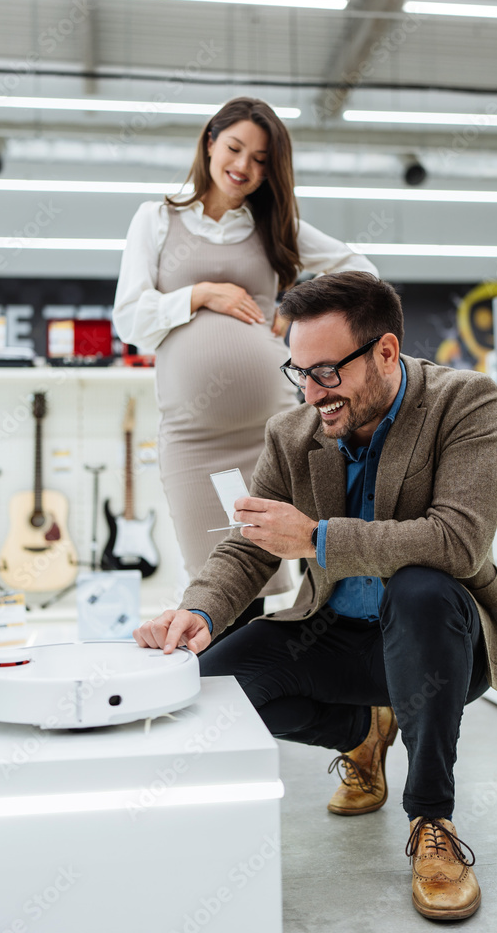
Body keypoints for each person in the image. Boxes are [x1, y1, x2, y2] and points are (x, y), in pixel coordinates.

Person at [132, 271, 497, 922]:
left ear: (385, 352)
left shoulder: (465, 402)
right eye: (298, 372)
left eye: (325, 372)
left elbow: (458, 541)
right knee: (208, 689)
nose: (311, 392)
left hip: (442, 644)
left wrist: (317, 538)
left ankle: (432, 820)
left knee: (422, 587)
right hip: (333, 634)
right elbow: (251, 547)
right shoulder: (291, 433)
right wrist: (198, 610)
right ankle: (361, 731)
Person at [113, 97, 375, 629]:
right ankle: (220, 677)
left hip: (270, 432)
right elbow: (129, 320)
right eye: (235, 148)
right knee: (211, 575)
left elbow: (360, 270)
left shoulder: (274, 224)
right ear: (210, 142)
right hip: (193, 436)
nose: (244, 167)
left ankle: (272, 675)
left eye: (260, 160)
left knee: (272, 564)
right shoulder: (157, 219)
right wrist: (200, 294)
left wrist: (298, 310)